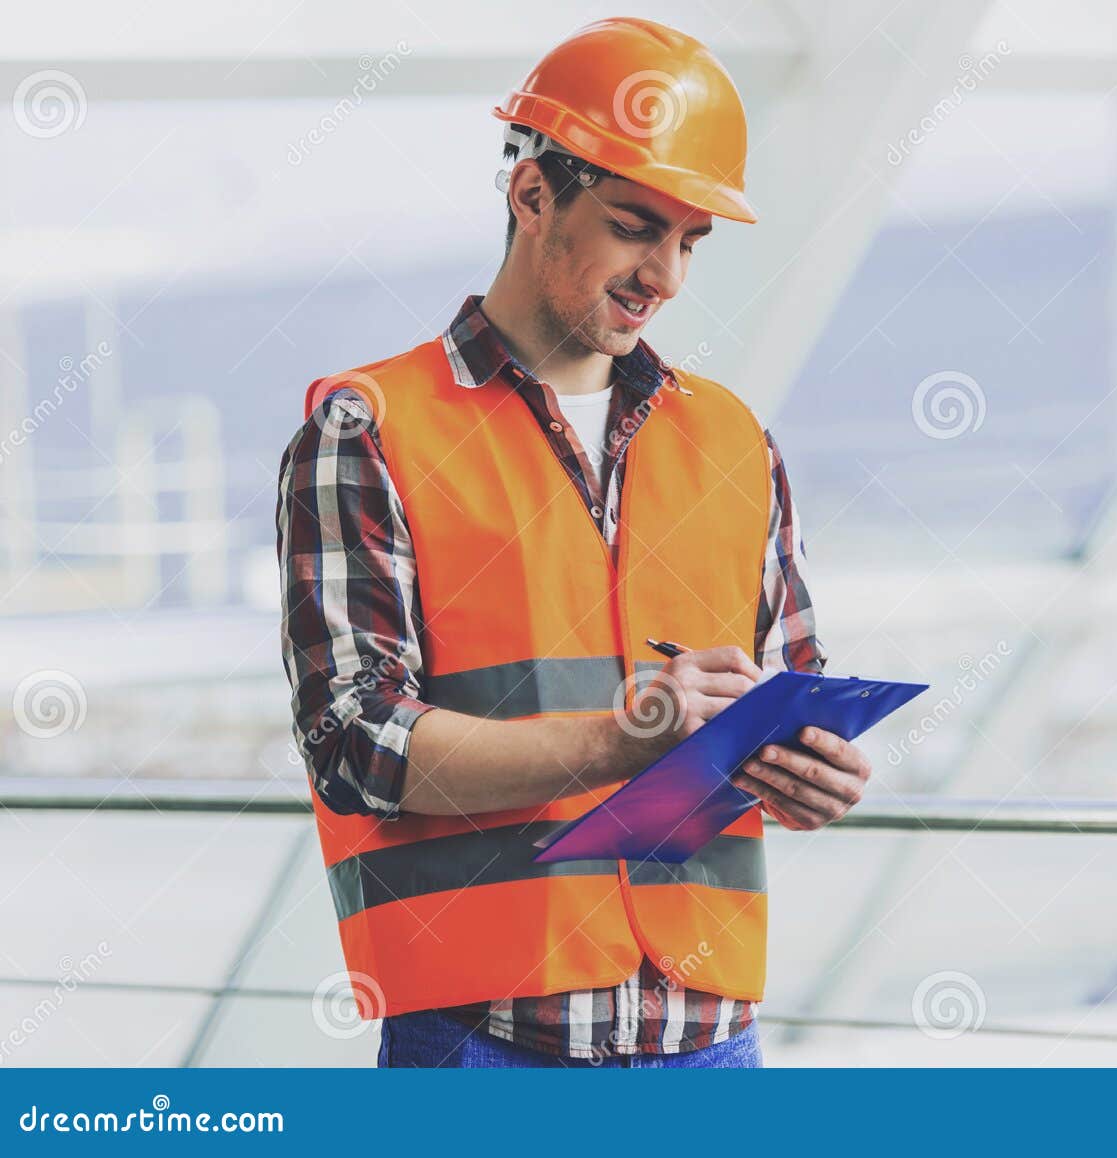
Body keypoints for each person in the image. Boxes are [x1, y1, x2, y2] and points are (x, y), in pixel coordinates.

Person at [274, 17, 874, 1069]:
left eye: (691, 242)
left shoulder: (733, 440)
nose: (667, 277)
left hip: (710, 1045)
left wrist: (807, 772)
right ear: (532, 195)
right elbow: (356, 745)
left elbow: (787, 692)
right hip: (484, 1049)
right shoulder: (367, 430)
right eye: (638, 226)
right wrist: (623, 739)